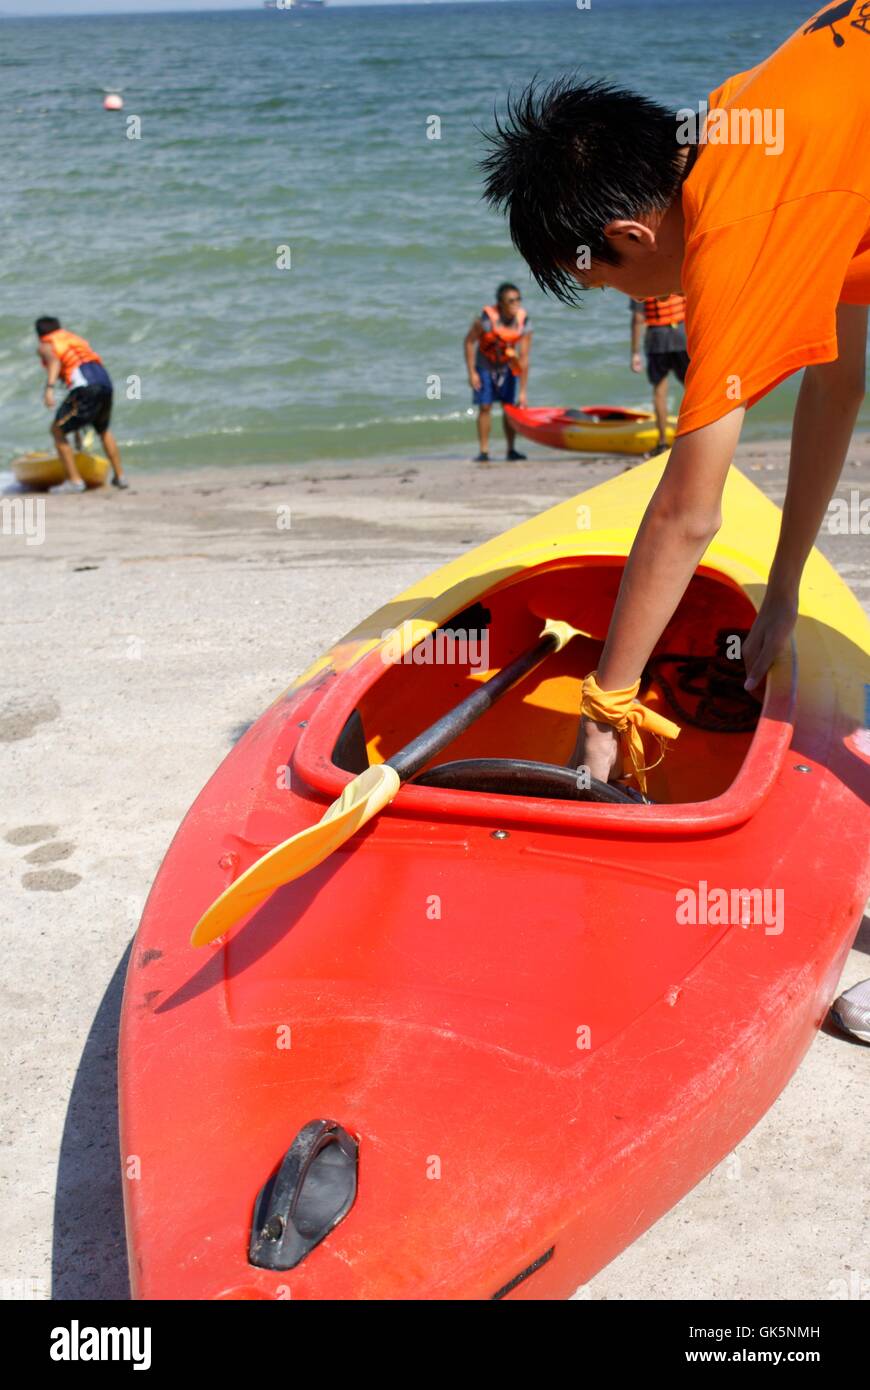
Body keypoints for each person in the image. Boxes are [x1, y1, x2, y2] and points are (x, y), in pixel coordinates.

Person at [482, 5, 870, 786]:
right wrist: (785, 581)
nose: (623, 297)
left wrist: (607, 708)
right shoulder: (734, 121)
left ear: (631, 233)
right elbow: (838, 383)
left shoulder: (735, 232)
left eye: (604, 280)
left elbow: (688, 510)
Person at [35, 317, 127, 492]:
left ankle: (74, 481)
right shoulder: (73, 339)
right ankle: (120, 476)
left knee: (57, 430)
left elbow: (55, 361)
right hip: (104, 382)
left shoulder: (46, 344)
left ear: (40, 334)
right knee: (103, 428)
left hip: (85, 386)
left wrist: (49, 389)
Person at [464, 284, 531, 463]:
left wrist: (523, 392)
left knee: (509, 408)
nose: (516, 303)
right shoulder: (485, 320)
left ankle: (511, 450)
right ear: (500, 304)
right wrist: (472, 372)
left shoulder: (523, 321)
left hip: (507, 366)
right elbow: (469, 342)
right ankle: (484, 452)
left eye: (518, 299)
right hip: (485, 365)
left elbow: (524, 358)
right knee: (485, 407)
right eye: (511, 300)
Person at [630, 294, 688, 452]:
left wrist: (635, 352)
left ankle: (662, 442)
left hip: (657, 338)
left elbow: (638, 318)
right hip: (682, 335)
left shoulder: (639, 283)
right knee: (692, 390)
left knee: (659, 393)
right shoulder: (675, 278)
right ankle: (698, 437)